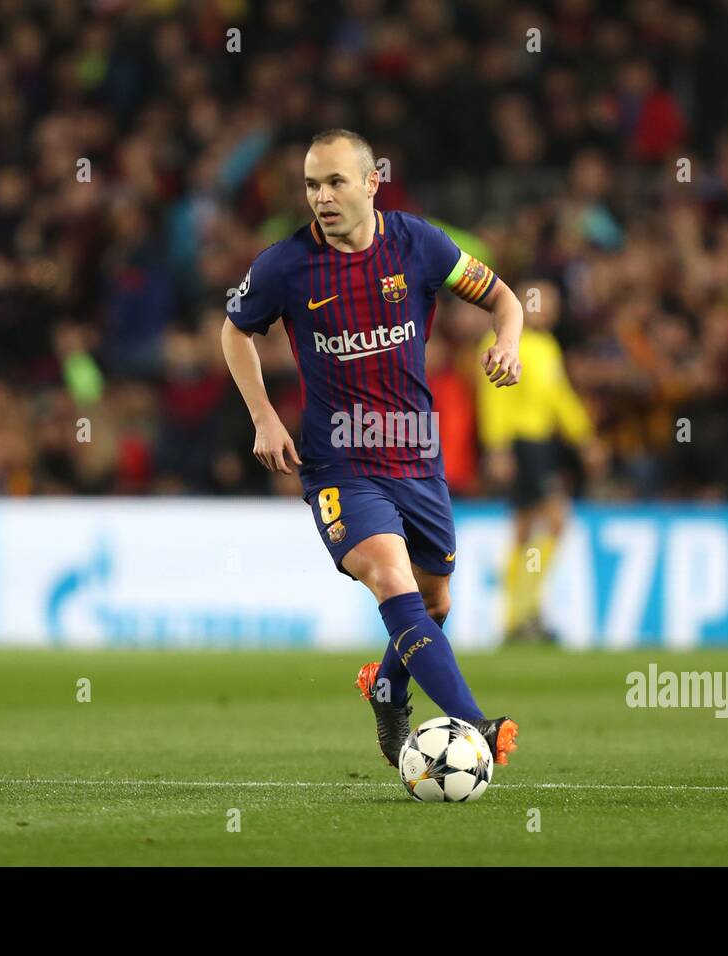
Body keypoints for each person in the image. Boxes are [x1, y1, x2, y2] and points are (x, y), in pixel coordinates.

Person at [219, 129, 522, 769]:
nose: (321, 197)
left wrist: (509, 343)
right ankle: (474, 727)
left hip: (415, 455)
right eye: (310, 185)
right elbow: (234, 331)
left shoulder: (419, 243)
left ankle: (388, 689)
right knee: (391, 576)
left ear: (370, 182)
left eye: (334, 182)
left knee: (435, 601)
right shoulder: (285, 265)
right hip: (340, 462)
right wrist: (264, 416)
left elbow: (503, 299)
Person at [477, 280, 601, 643]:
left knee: (524, 529)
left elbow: (561, 398)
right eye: (543, 301)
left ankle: (519, 617)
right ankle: (524, 612)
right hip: (523, 446)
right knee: (555, 521)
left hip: (543, 445)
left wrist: (585, 438)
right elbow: (492, 399)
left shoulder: (546, 346)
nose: (551, 309)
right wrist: (497, 448)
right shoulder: (500, 343)